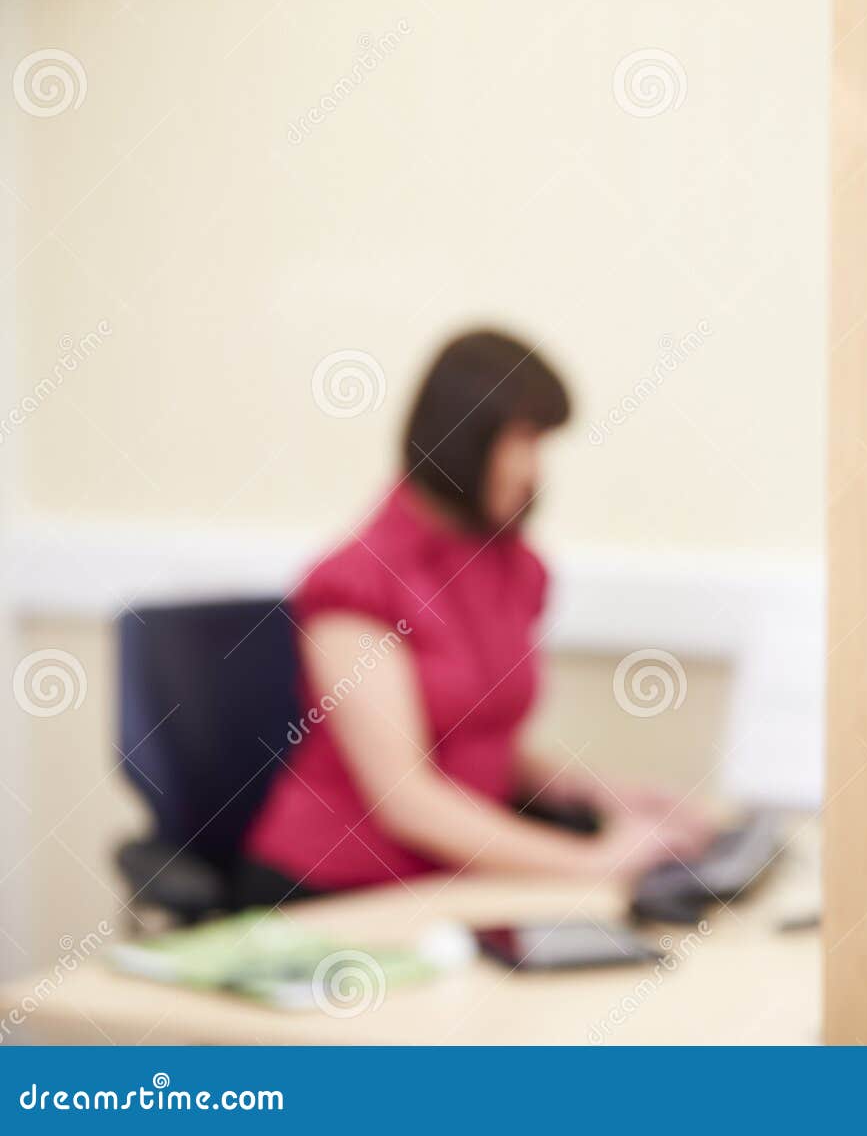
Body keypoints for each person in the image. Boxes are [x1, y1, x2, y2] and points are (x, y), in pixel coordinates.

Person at [241, 330, 713, 903]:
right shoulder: (356, 583)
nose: (533, 470)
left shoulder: (508, 567)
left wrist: (604, 796)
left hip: (454, 886)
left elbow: (482, 743)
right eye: (522, 441)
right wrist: (595, 861)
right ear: (462, 435)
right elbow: (407, 803)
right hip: (336, 892)